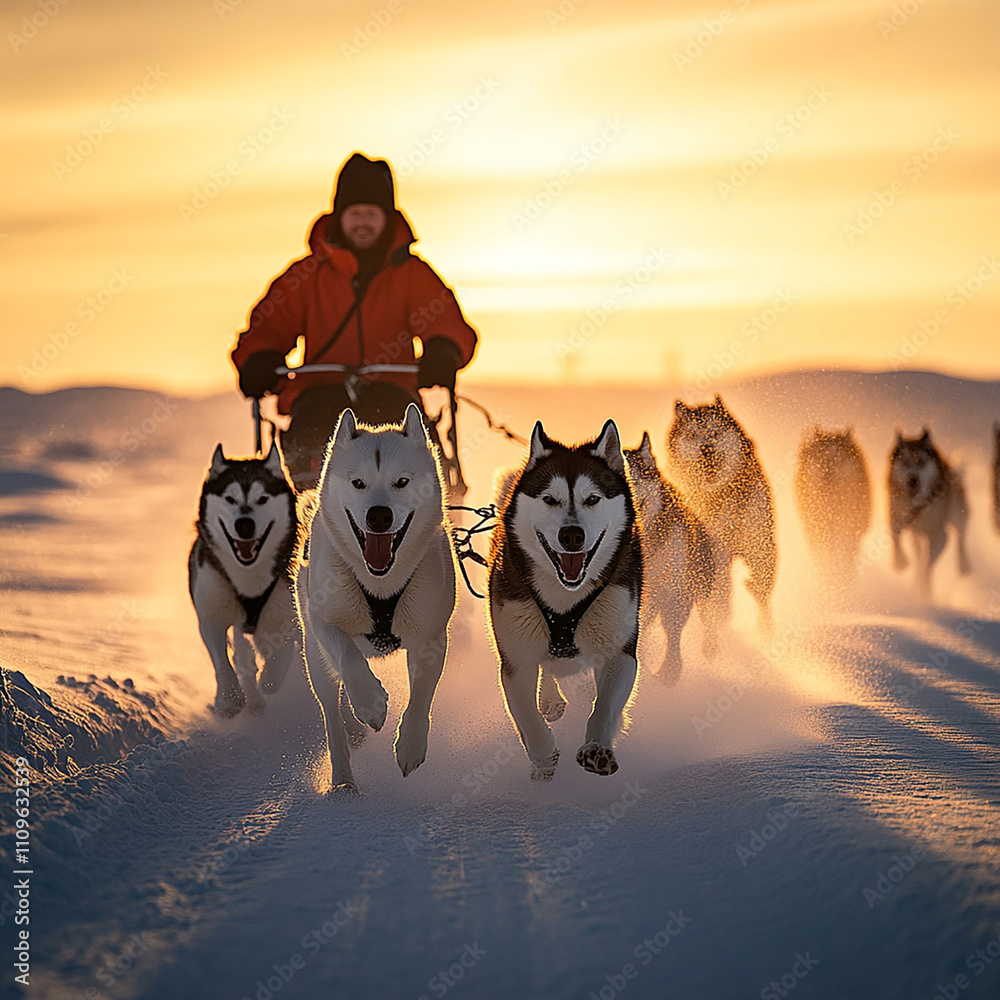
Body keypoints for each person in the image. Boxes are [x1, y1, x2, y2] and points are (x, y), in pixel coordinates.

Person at [232, 152, 478, 485]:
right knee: (313, 430)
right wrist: (260, 358)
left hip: (394, 393)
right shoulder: (306, 276)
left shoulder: (412, 275)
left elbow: (446, 321)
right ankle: (306, 507)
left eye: (371, 214)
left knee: (402, 429)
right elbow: (268, 326)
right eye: (355, 213)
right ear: (339, 217)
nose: (362, 222)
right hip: (318, 395)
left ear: (387, 218)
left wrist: (444, 351)